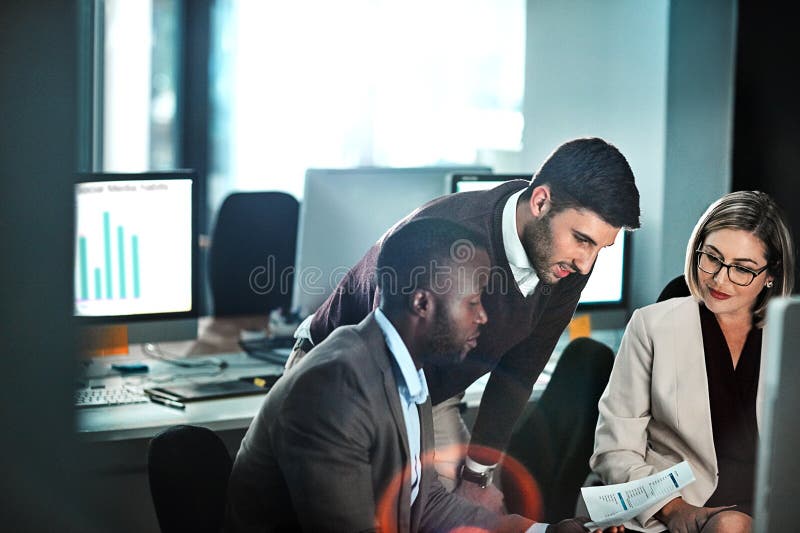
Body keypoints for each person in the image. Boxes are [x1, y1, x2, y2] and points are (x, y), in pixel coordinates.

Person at [287, 137, 641, 509]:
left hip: (435, 384)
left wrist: (477, 475)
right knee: (372, 508)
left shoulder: (565, 260)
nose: (586, 264)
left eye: (600, 248)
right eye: (582, 240)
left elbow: (521, 369)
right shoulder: (448, 237)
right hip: (350, 375)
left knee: (476, 509)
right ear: (540, 202)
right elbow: (389, 365)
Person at [225, 218, 610, 532]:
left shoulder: (410, 371)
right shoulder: (333, 392)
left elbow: (425, 504)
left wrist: (540, 532)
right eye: (473, 302)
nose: (483, 317)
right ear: (422, 303)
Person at [590, 191, 796, 532]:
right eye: (712, 258)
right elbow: (615, 448)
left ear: (770, 275)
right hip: (686, 508)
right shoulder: (652, 325)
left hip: (771, 511)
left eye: (742, 269)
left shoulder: (790, 338)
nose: (719, 279)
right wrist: (673, 509)